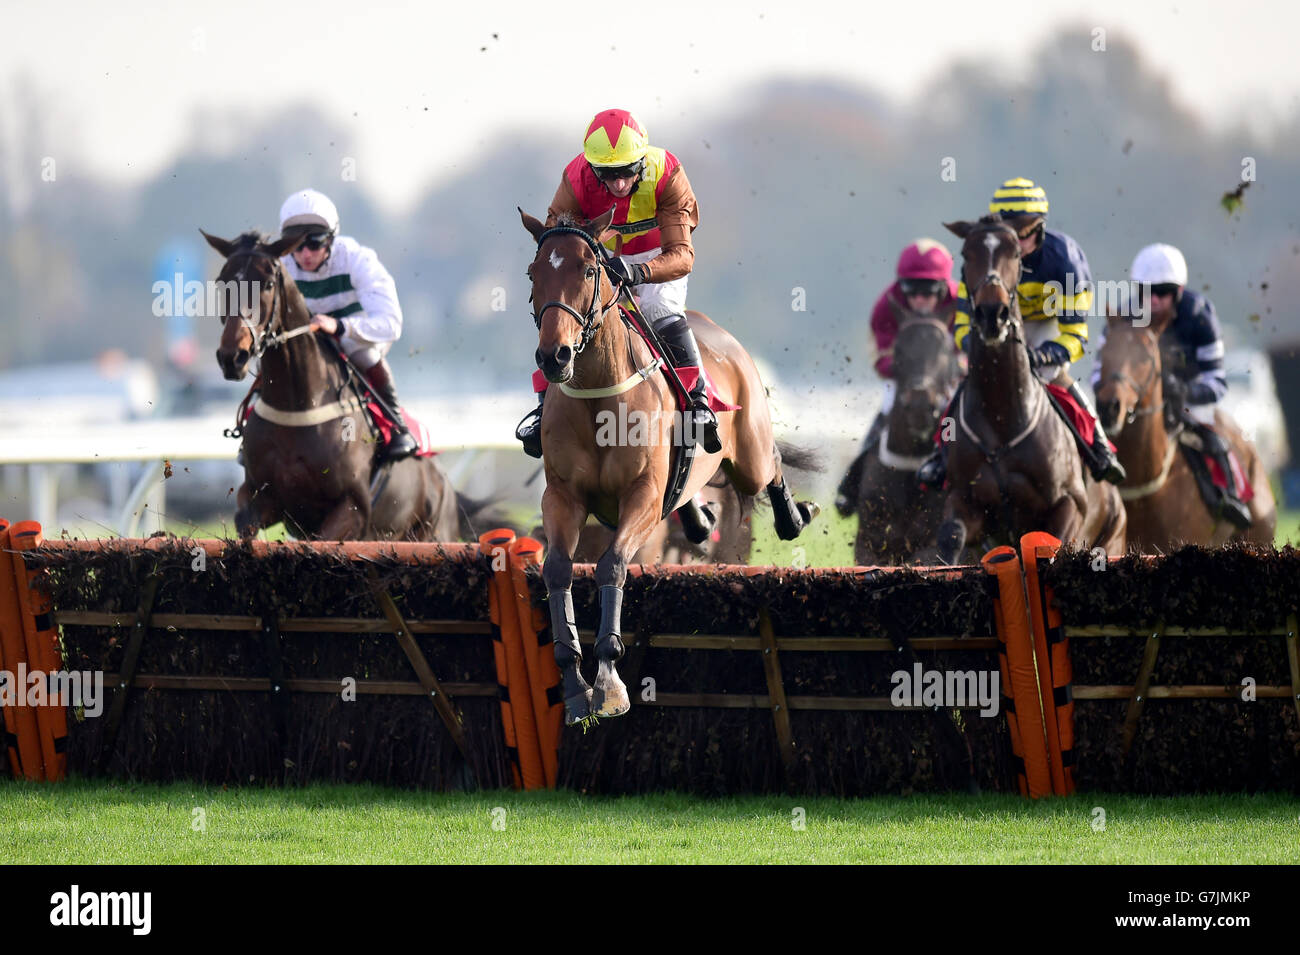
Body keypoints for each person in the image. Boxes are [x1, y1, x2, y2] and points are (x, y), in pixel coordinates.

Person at [516, 108, 719, 458]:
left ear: (640, 161)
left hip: (660, 258)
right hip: (601, 259)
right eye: (608, 174)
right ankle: (542, 408)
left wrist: (638, 272)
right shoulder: (576, 178)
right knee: (568, 315)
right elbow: (557, 241)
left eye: (626, 172)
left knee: (658, 307)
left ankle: (698, 400)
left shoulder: (667, 174)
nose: (619, 183)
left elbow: (682, 255)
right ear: (592, 167)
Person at [916, 177, 1126, 488]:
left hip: (1046, 325)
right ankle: (941, 452)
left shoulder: (1064, 260)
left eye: (1021, 235)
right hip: (996, 323)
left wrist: (1040, 355)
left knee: (1058, 377)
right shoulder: (983, 257)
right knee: (969, 384)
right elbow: (962, 327)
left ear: (1038, 228)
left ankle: (1098, 447)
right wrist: (975, 346)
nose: (1012, 243)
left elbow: (1076, 335)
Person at [1107, 243, 1250, 527]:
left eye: (1162, 293)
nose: (1154, 301)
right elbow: (1106, 366)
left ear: (1179, 292)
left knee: (1211, 434)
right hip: (1140, 398)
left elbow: (1217, 382)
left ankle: (1229, 496)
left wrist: (1183, 392)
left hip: (1188, 397)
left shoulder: (1199, 315)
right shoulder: (1124, 316)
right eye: (1147, 293)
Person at [278, 188, 417, 461]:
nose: (305, 253)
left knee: (363, 353)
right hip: (305, 338)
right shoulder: (280, 265)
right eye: (297, 244)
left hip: (355, 334)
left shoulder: (357, 259)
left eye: (315, 243)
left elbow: (391, 324)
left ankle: (396, 425)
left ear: (331, 240)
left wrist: (340, 327)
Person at [834, 239, 959, 516]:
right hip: (905, 377)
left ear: (942, 288)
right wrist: (912, 371)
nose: (918, 299)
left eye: (927, 291)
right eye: (911, 290)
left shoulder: (962, 302)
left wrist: (953, 366)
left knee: (962, 413)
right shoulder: (887, 305)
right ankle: (851, 486)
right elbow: (881, 358)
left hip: (947, 377)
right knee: (887, 410)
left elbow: (970, 346)